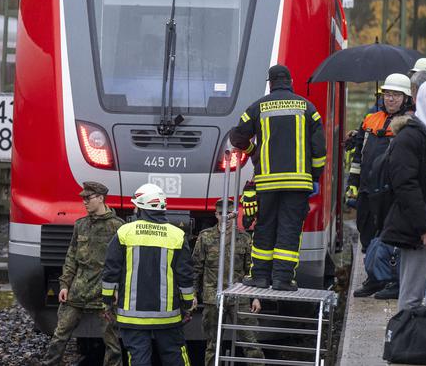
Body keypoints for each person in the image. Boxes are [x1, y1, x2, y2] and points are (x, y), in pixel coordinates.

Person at [229, 64, 326, 291]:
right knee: (290, 229)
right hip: (299, 183)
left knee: (265, 227)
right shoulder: (308, 108)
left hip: (268, 182)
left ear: (270, 84)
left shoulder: (258, 107)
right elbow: (319, 148)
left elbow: (237, 137)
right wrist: (315, 177)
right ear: (291, 82)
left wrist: (254, 153)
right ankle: (283, 279)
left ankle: (260, 277)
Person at [100, 183, 195, 366]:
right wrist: (187, 305)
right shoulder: (177, 235)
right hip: (168, 316)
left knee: (138, 359)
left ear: (141, 207)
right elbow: (185, 276)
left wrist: (106, 303)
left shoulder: (124, 232)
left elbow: (111, 271)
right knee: (175, 356)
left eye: (136, 205)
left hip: (132, 316)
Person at [42, 182, 123, 366]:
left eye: (88, 198)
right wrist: (64, 285)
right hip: (78, 290)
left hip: (104, 293)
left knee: (112, 341)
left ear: (101, 198)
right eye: (83, 198)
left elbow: (123, 263)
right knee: (60, 334)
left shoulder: (118, 227)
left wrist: (118, 289)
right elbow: (71, 258)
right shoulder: (81, 225)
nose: (84, 202)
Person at [347, 74, 413, 298]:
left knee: (392, 237)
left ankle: (393, 281)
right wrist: (352, 185)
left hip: (392, 191)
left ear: (406, 98)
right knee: (366, 234)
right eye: (387, 94)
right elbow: (358, 156)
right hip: (367, 189)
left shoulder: (409, 123)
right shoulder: (369, 120)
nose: (390, 99)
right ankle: (375, 278)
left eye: (395, 95)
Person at [379, 80, 426, 312]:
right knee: (412, 295)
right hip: (419, 229)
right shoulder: (411, 137)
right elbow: (405, 185)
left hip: (425, 224)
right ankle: (403, 344)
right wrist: (424, 226)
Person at [193, 199, 264, 366]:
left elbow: (252, 271)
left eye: (230, 216)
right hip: (213, 298)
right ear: (216, 215)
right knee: (212, 345)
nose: (226, 219)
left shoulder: (245, 239)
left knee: (251, 343)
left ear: (234, 217)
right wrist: (193, 294)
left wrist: (256, 296)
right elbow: (196, 269)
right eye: (221, 215)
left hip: (241, 296)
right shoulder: (205, 237)